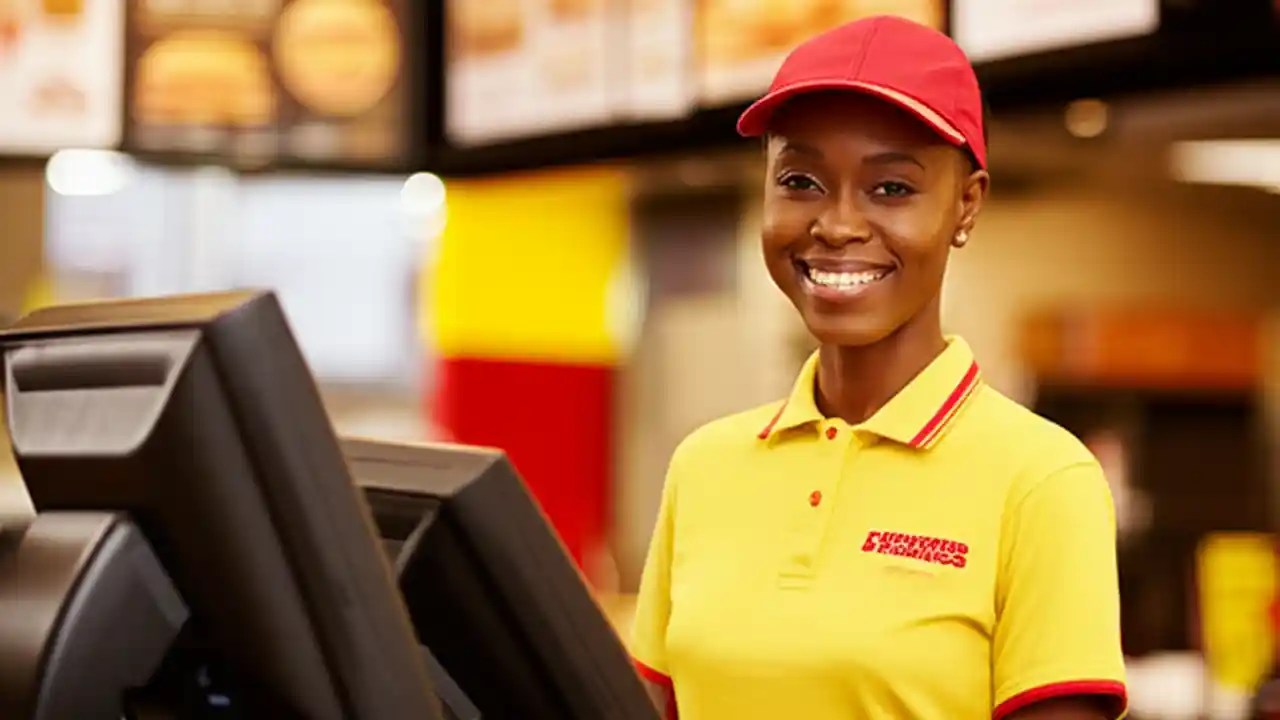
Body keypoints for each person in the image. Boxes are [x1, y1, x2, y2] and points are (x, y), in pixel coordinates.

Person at [629, 15, 1127, 720]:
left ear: (966, 204)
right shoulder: (703, 467)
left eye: (891, 188)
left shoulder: (1044, 481)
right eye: (800, 180)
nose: (836, 225)